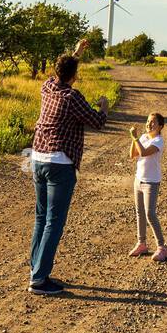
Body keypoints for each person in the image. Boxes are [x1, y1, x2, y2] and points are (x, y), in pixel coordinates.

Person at [28, 38, 108, 296]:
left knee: (41, 218)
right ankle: (39, 280)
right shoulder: (72, 97)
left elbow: (61, 74)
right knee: (54, 221)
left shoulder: (47, 87)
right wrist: (104, 108)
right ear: (74, 76)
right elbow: (96, 121)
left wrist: (76, 53)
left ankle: (36, 269)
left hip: (38, 158)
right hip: (59, 163)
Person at [128, 112, 167, 262]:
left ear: (160, 126)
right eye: (148, 121)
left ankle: (162, 247)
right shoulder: (144, 138)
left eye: (153, 122)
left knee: (150, 214)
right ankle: (142, 243)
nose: (149, 124)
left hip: (151, 182)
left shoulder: (159, 141)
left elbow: (144, 153)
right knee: (139, 213)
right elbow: (133, 154)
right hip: (138, 180)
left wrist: (134, 138)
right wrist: (136, 139)